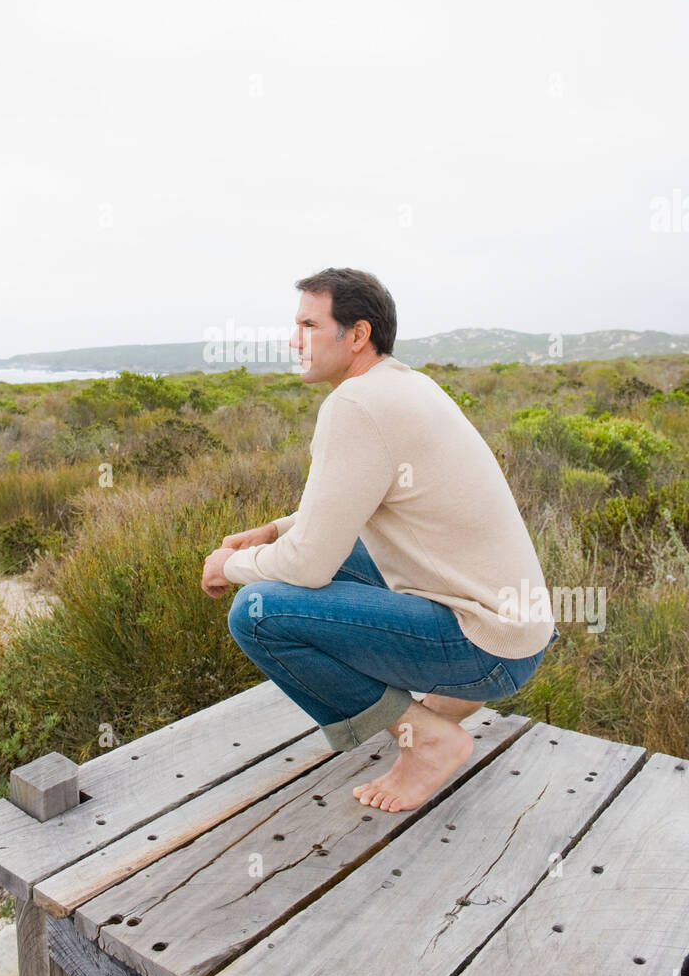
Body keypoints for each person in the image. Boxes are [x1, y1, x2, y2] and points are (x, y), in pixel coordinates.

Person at [200, 267, 559, 813]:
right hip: (520, 632)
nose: (293, 339)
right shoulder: (403, 384)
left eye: (309, 324)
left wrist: (232, 565)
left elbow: (310, 565)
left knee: (256, 611)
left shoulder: (354, 405)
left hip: (489, 649)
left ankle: (431, 740)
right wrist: (274, 532)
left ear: (357, 335)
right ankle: (443, 705)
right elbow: (348, 503)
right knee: (344, 549)